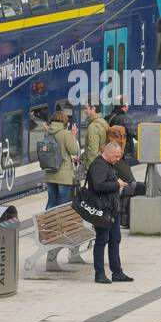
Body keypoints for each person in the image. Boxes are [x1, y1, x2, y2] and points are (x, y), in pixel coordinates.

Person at [87, 142, 133, 284]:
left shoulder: (109, 165)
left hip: (113, 209)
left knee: (115, 239)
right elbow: (98, 186)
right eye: (116, 156)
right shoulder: (98, 165)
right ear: (108, 152)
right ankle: (99, 274)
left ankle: (117, 272)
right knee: (102, 240)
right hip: (103, 210)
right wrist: (117, 184)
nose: (118, 159)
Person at [43, 110, 79, 209]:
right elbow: (74, 151)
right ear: (64, 121)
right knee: (63, 203)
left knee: (51, 201)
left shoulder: (47, 133)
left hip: (50, 173)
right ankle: (60, 224)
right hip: (63, 175)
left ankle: (49, 223)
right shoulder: (66, 134)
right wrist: (73, 136)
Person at [81, 97, 109, 168]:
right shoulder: (103, 121)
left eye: (86, 108)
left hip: (97, 164)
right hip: (104, 161)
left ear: (93, 108)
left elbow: (92, 151)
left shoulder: (93, 126)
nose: (84, 110)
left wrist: (89, 168)